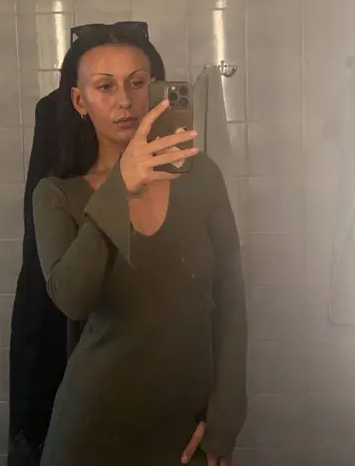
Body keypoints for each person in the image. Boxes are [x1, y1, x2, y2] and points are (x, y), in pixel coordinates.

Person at [32, 25, 247, 466]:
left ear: (157, 89)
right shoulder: (56, 194)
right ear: (79, 101)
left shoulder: (202, 178)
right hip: (92, 431)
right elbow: (72, 299)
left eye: (137, 82)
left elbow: (231, 302)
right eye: (105, 86)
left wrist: (226, 418)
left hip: (188, 432)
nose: (125, 101)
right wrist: (120, 187)